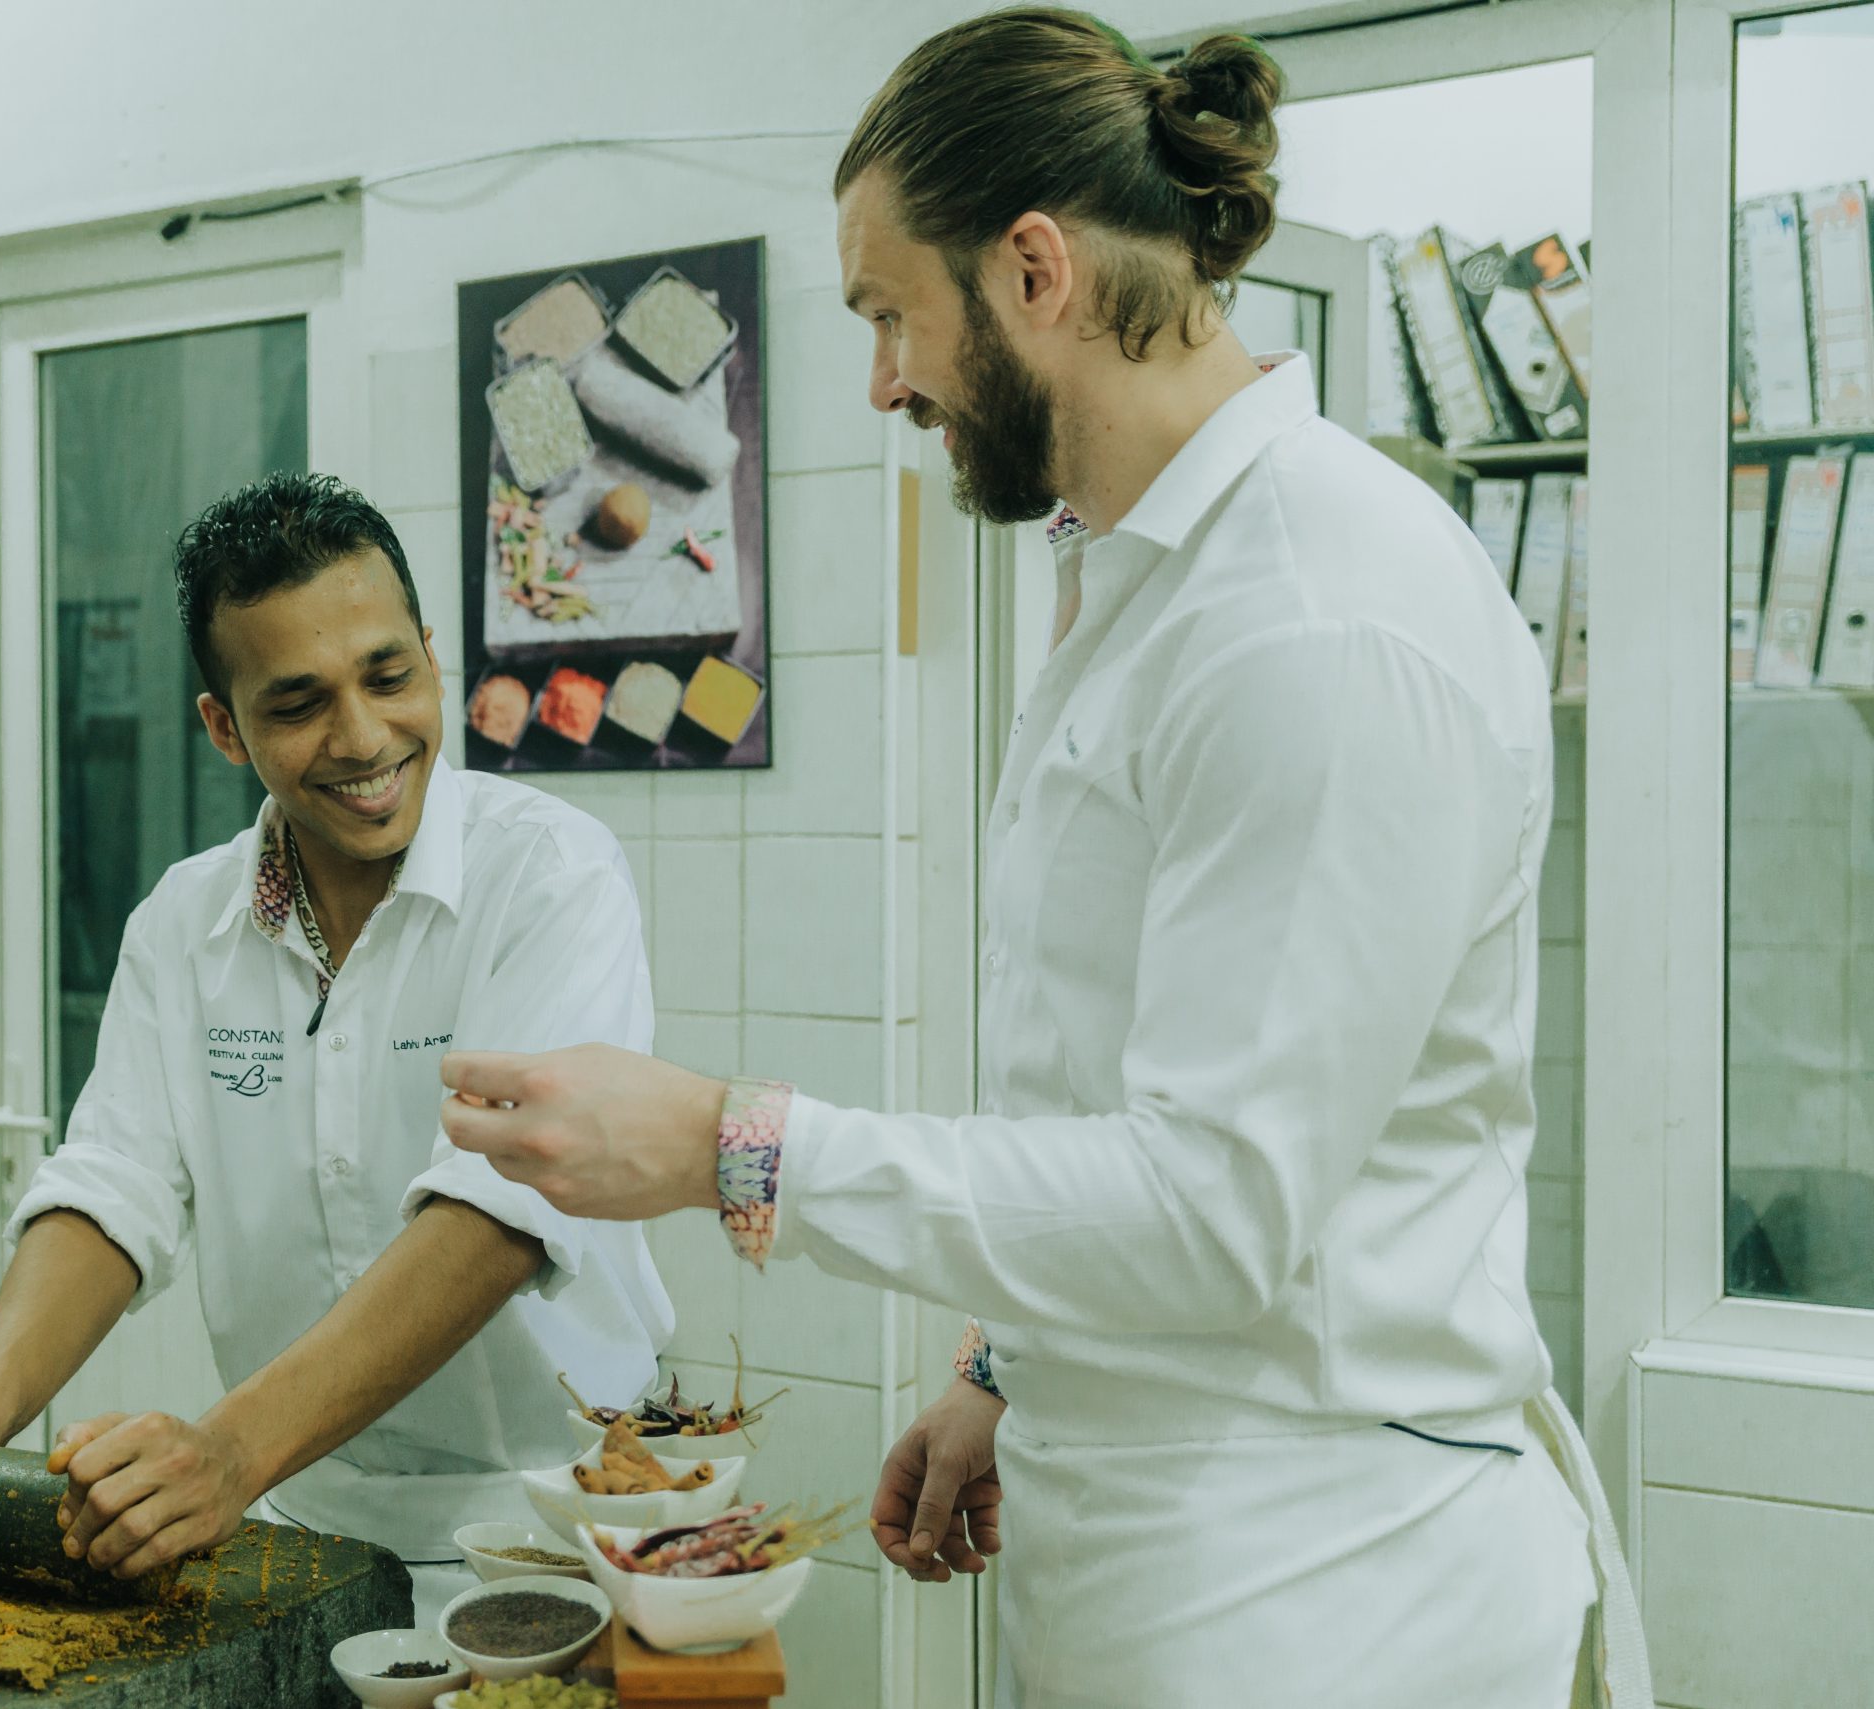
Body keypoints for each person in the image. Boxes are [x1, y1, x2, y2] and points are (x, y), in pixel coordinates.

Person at [436, 12, 1650, 1707]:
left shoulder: (1315, 615)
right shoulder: (1147, 579)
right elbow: (1126, 1090)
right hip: (1171, 1538)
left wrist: (735, 1142)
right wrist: (1011, 1365)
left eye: (884, 313)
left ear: (1032, 269)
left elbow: (1221, 1212)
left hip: (1327, 1595)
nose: (880, 382)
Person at [0, 472, 673, 1624]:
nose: (363, 737)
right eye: (297, 702)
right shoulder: (185, 920)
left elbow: (496, 1213)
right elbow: (114, 1180)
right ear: (223, 726)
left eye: (388, 675)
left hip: (562, 1520)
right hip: (303, 1531)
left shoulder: (552, 876)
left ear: (430, 656)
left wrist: (225, 1448)